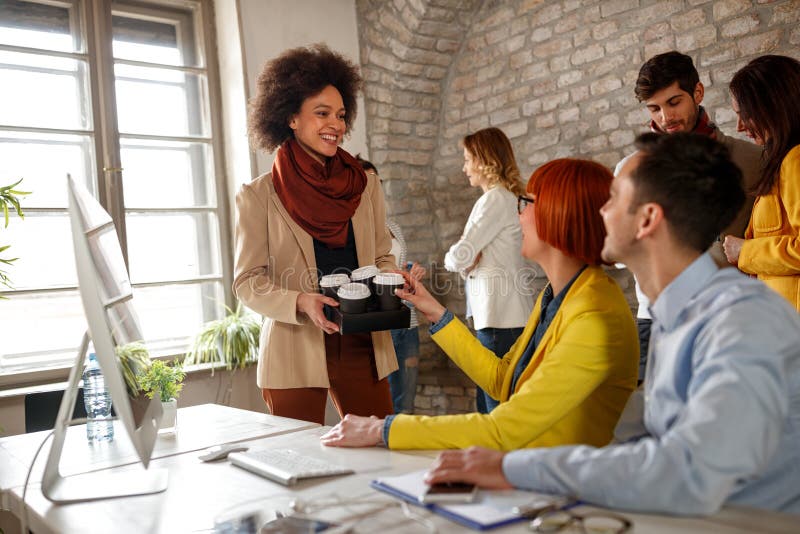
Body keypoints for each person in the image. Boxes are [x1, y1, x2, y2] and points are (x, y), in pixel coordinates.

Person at [426, 133, 800, 516]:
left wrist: (512, 467)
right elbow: (633, 443)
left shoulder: (740, 319)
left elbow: (690, 472)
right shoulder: (677, 320)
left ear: (648, 219)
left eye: (615, 196)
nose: (601, 210)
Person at [320, 159, 639, 451]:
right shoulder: (555, 297)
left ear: (561, 214)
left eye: (527, 203)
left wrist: (383, 429)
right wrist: (434, 311)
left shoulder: (594, 316)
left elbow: (504, 428)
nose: (520, 214)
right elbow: (502, 380)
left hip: (565, 489)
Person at [233, 44, 397, 424]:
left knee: (379, 453)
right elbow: (247, 282)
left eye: (340, 115)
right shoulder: (258, 196)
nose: (335, 124)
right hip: (294, 345)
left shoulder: (366, 185)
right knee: (297, 463)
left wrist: (394, 277)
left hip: (363, 341)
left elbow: (382, 256)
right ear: (291, 117)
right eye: (321, 113)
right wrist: (300, 302)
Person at [615, 51, 762, 379]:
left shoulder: (752, 160)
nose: (666, 118)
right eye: (654, 108)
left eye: (674, 102)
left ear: (698, 93)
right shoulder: (630, 170)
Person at [444, 127, 534, 413]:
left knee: (493, 410)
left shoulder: (493, 200)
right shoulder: (511, 198)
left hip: (499, 320)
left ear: (485, 160)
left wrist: (458, 259)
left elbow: (460, 256)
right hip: (509, 316)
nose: (465, 167)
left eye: (468, 159)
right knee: (500, 403)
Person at [723, 55, 800, 312]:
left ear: (773, 107)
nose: (740, 126)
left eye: (745, 114)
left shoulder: (795, 160)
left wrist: (745, 251)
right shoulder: (783, 160)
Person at [356, 155, 426, 414]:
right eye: (367, 182)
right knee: (380, 408)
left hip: (408, 321)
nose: (375, 187)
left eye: (378, 181)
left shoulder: (392, 226)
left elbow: (396, 266)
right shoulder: (351, 231)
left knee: (406, 405)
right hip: (379, 327)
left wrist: (411, 272)